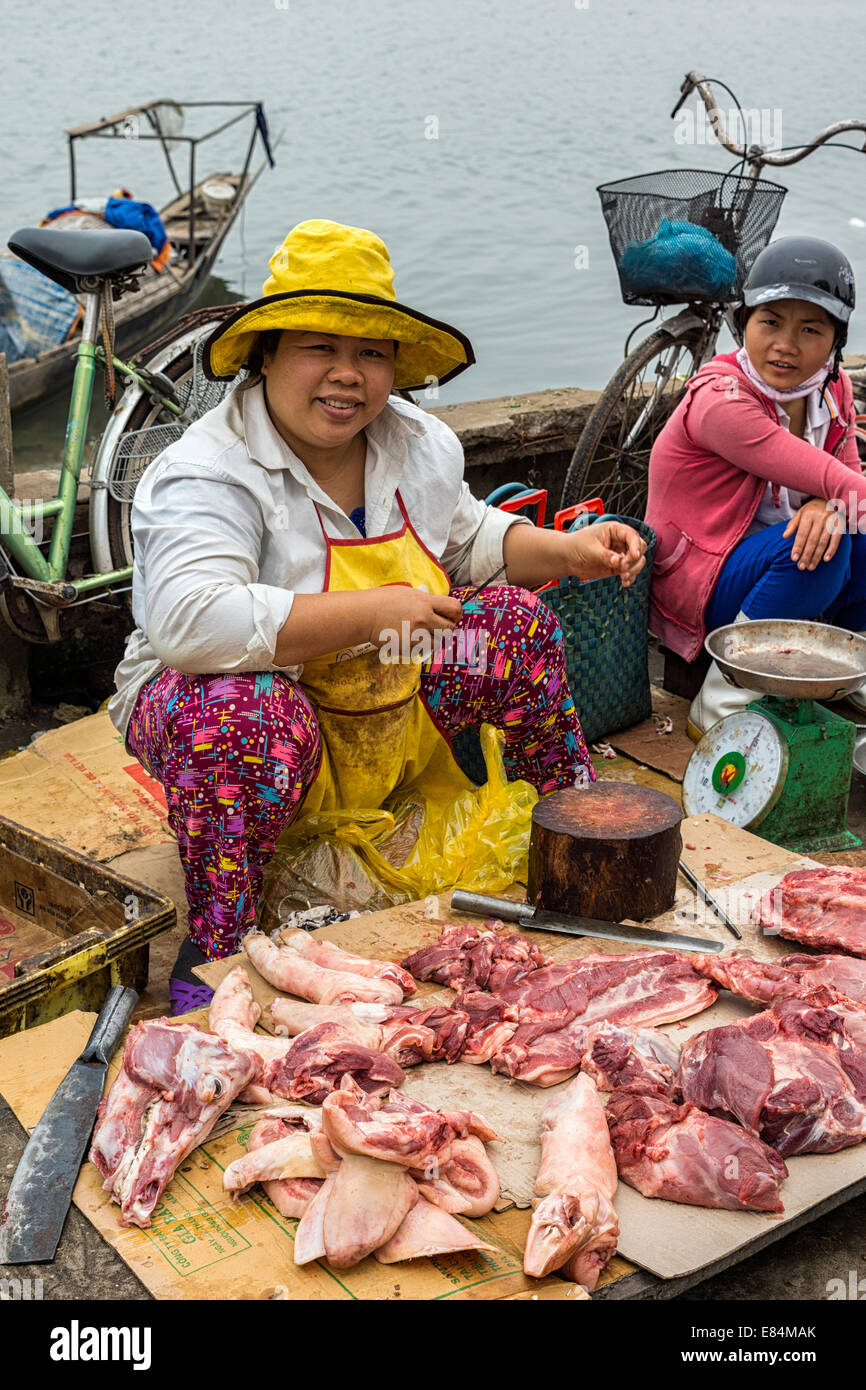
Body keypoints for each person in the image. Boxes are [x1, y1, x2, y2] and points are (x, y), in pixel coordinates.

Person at [107, 218, 646, 1012]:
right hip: (241, 705)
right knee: (235, 719)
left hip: (384, 692)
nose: (347, 375)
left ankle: (577, 843)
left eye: (370, 352)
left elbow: (471, 541)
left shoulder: (418, 443)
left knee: (515, 627)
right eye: (319, 348)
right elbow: (192, 625)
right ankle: (223, 942)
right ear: (265, 355)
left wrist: (568, 551)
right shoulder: (206, 471)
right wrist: (374, 612)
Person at [645, 235, 866, 739]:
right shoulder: (722, 400)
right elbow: (838, 481)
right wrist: (832, 502)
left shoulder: (832, 390)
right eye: (770, 322)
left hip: (775, 569)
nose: (785, 344)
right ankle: (723, 694)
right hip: (702, 578)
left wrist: (826, 506)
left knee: (849, 534)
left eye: (810, 329)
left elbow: (843, 479)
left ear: (835, 342)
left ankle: (847, 663)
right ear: (743, 324)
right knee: (822, 549)